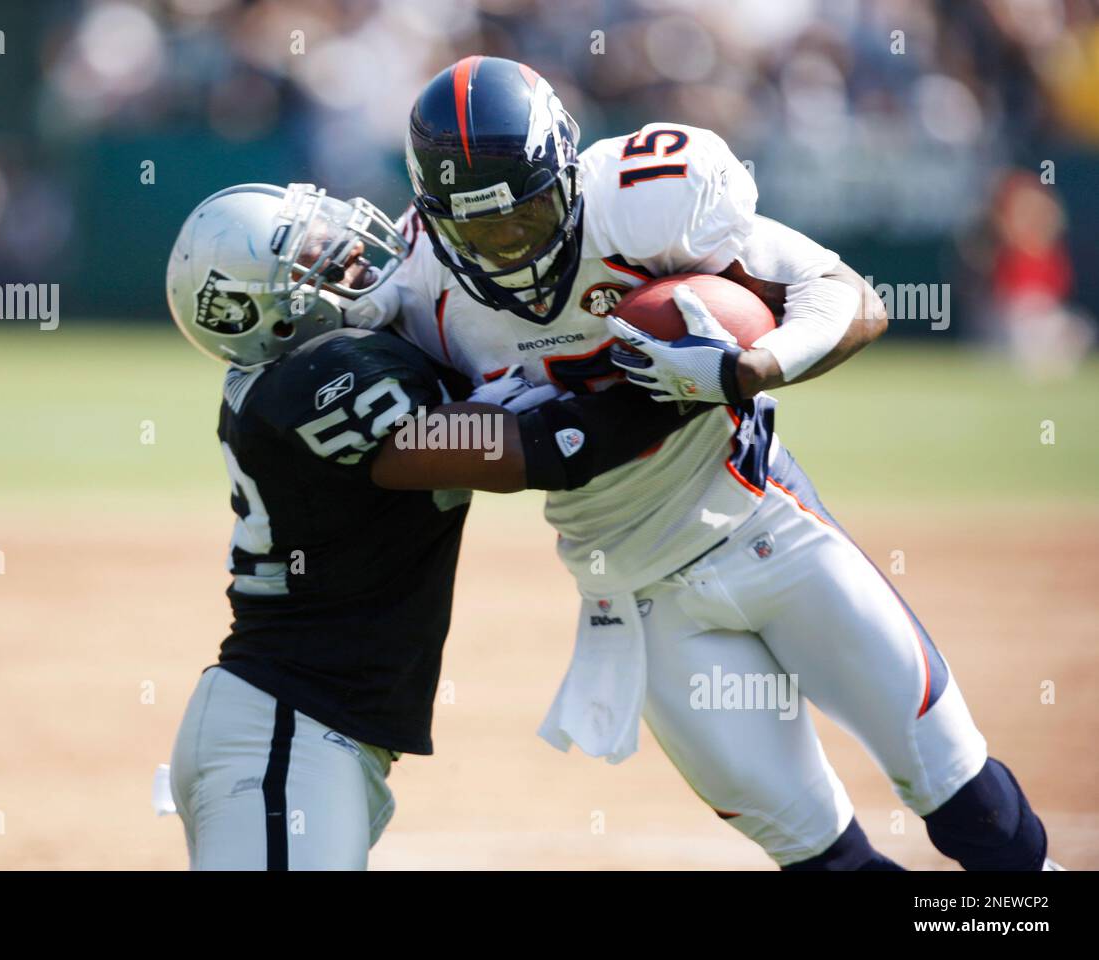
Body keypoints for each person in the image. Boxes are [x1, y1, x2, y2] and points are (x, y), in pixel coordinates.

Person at [357, 56, 1060, 870]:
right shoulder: (410, 282)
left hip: (768, 529)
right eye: (480, 231)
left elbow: (846, 294)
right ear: (432, 219)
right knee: (822, 859)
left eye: (526, 214)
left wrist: (744, 370)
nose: (509, 247)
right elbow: (383, 436)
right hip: (639, 596)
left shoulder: (646, 201)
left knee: (965, 798)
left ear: (569, 172)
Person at [165, 181, 702, 869]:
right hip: (286, 729)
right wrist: (688, 389)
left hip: (301, 728)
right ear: (264, 311)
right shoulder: (323, 376)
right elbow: (530, 452)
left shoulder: (308, 372)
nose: (353, 249)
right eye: (318, 255)